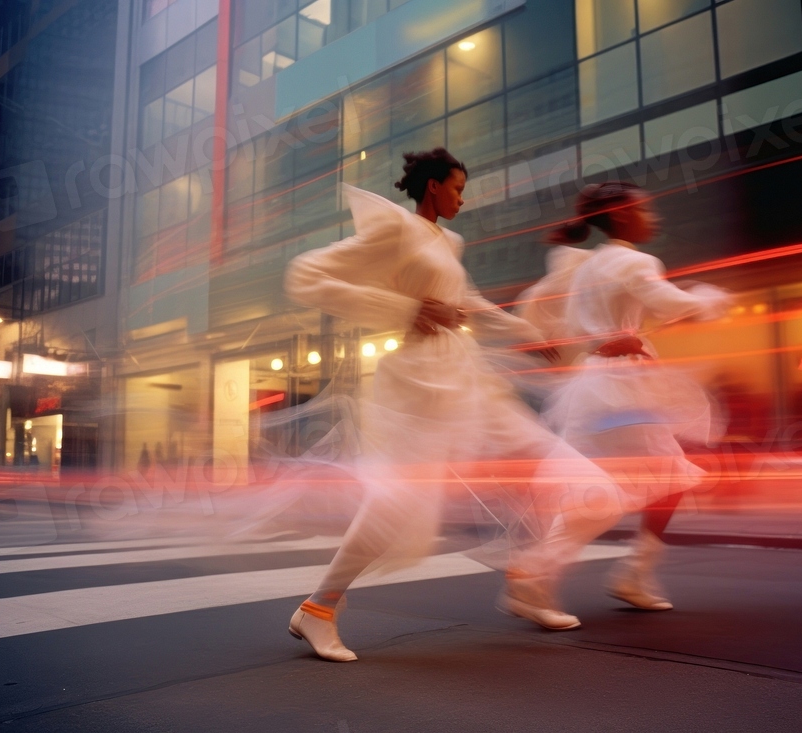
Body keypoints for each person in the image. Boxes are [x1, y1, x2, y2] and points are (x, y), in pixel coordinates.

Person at [283, 149, 629, 662]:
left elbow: (469, 306)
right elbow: (306, 274)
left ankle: (529, 581)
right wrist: (406, 308)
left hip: (467, 376)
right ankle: (318, 607)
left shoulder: (450, 241)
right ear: (433, 187)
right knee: (399, 503)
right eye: (458, 189)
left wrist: (530, 335)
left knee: (549, 463)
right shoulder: (395, 229)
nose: (463, 200)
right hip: (420, 383)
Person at [518, 181, 730, 611]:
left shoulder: (585, 268)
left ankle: (612, 573)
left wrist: (607, 337)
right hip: (622, 389)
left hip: (592, 386)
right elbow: (667, 303)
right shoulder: (636, 261)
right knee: (638, 484)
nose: (653, 218)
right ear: (620, 214)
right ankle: (545, 573)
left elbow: (559, 316)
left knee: (639, 480)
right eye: (645, 209)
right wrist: (709, 298)